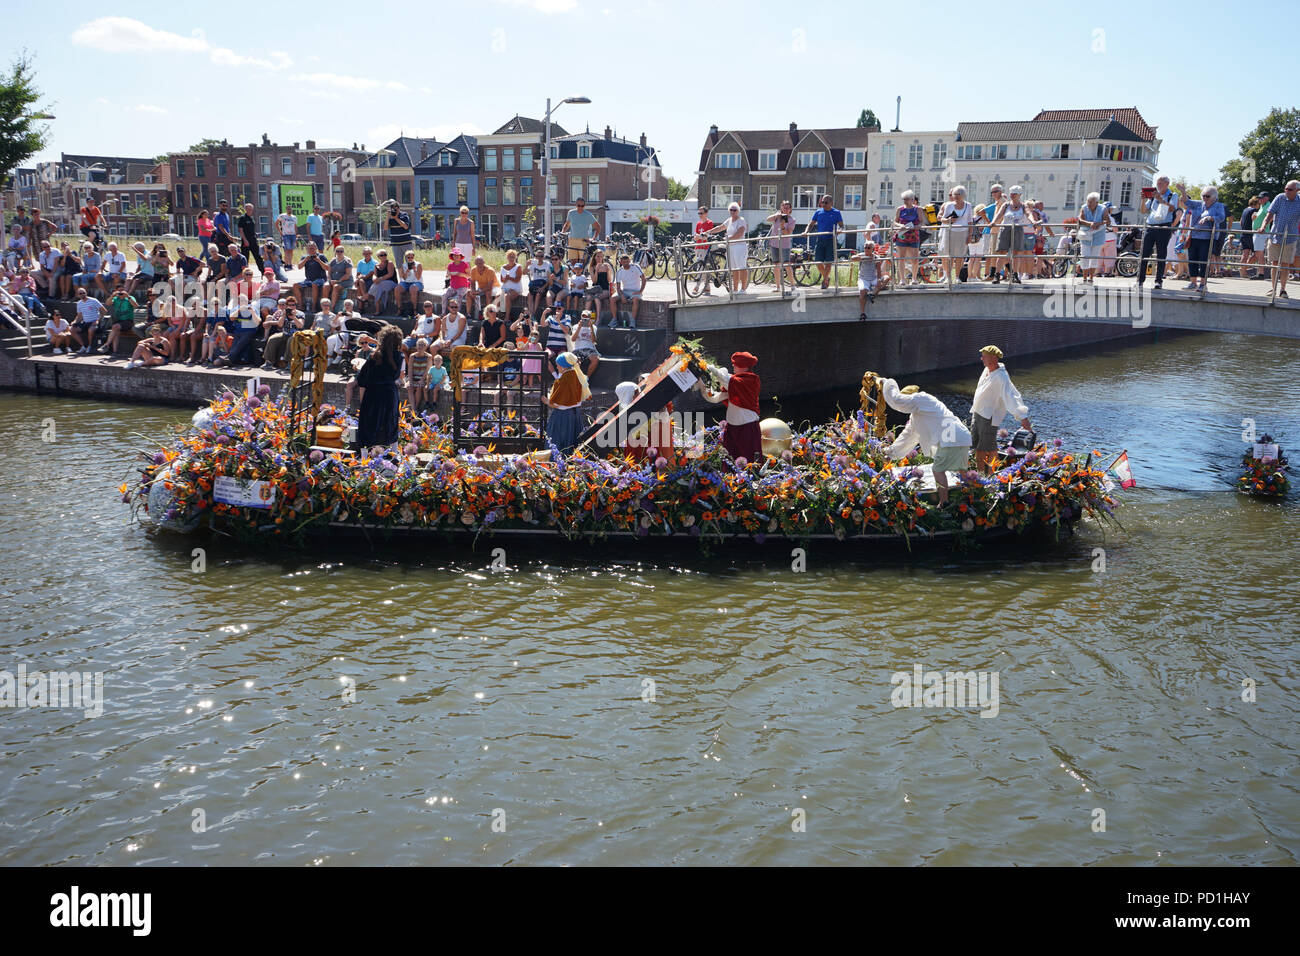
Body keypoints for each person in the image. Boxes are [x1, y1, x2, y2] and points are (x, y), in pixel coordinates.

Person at [877, 378, 971, 506]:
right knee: (962, 470)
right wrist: (890, 452)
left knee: (938, 469)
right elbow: (908, 437)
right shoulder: (918, 414)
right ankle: (971, 498)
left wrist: (886, 383)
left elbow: (896, 401)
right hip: (960, 436)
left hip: (951, 437)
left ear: (909, 398)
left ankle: (944, 503)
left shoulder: (921, 398)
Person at [969, 345, 1031, 473]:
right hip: (977, 412)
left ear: (994, 358)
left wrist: (1022, 416)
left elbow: (1011, 396)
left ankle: (991, 476)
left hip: (989, 416)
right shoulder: (986, 370)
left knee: (989, 448)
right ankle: (980, 474)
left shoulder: (1001, 377)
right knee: (978, 447)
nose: (982, 359)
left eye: (984, 356)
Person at [702, 351, 762, 462]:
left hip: (747, 428)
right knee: (730, 459)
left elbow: (726, 379)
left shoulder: (750, 381)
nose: (733, 365)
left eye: (736, 363)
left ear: (744, 366)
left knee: (750, 460)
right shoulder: (735, 383)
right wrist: (701, 385)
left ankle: (750, 478)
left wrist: (710, 368)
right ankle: (730, 478)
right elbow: (714, 398)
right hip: (732, 428)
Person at [355, 325, 403, 450]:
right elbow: (395, 375)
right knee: (390, 424)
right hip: (389, 394)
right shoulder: (399, 357)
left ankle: (365, 456)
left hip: (373, 394)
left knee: (369, 424)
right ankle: (393, 454)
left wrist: (359, 370)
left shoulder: (374, 356)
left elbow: (361, 380)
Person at [1175, 183, 1225, 293]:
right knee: (1192, 260)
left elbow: (1221, 217)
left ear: (1214, 197)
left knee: (1204, 260)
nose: (1205, 198)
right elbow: (1185, 202)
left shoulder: (1218, 206)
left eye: (1208, 196)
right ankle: (1193, 282)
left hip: (1207, 237)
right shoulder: (1198, 204)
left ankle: (1203, 284)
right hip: (1194, 236)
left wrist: (1209, 218)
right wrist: (1183, 192)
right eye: (1203, 196)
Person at [1258, 179, 1300, 300]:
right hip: (1275, 235)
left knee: (1285, 264)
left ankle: (1283, 289)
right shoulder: (1280, 198)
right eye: (1285, 188)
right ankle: (1274, 288)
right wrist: (1263, 226)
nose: (1286, 191)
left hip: (1290, 237)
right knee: (1275, 263)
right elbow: (1269, 214)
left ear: (1297, 190)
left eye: (1290, 189)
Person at [1137, 176, 1180, 290]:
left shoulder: (1173, 195)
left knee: (1161, 254)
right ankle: (1140, 280)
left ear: (1167, 184)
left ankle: (1158, 281)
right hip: (1150, 226)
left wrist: (1160, 199)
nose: (1159, 186)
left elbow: (1172, 208)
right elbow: (1143, 211)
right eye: (1158, 183)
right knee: (1144, 253)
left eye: (1161, 183)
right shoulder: (1152, 197)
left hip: (1164, 227)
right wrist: (1143, 199)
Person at [989, 185, 1038, 283]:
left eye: (1015, 193)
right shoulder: (1006, 205)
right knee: (1002, 252)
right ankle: (997, 275)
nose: (1012, 195)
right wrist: (993, 222)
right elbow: (999, 215)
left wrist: (1033, 221)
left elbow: (1029, 214)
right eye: (1011, 193)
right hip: (1005, 229)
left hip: (1018, 229)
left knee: (1017, 253)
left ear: (1019, 195)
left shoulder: (1023, 205)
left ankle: (1015, 275)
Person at [545, 351, 591, 453]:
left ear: (563, 366)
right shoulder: (578, 376)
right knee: (574, 442)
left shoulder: (563, 379)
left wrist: (546, 401)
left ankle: (558, 464)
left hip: (562, 416)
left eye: (557, 365)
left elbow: (557, 404)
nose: (556, 367)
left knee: (559, 443)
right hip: (575, 415)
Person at [938, 186, 974, 284]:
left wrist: (970, 234)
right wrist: (948, 220)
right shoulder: (949, 205)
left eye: (958, 194)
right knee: (949, 255)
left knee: (960, 256)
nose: (956, 196)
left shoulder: (968, 205)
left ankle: (957, 277)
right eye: (954, 194)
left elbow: (970, 221)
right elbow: (942, 218)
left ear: (963, 195)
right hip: (949, 232)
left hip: (963, 232)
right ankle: (948, 277)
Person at [806, 194, 843, 289]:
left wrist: (839, 230)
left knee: (828, 262)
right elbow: (811, 223)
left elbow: (841, 225)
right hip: (820, 239)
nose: (823, 204)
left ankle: (824, 281)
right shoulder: (818, 212)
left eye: (826, 202)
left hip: (831, 239)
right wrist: (806, 232)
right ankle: (826, 278)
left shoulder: (836, 212)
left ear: (831, 203)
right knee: (817, 261)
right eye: (822, 202)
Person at [1076, 192, 1110, 285]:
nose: (1089, 204)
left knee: (1094, 257)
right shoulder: (1084, 207)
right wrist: (1089, 223)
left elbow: (1107, 221)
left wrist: (1097, 223)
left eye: (1091, 202)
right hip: (1086, 235)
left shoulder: (1103, 208)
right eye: (1088, 201)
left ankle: (1091, 278)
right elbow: (1080, 219)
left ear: (1097, 202)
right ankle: (1084, 279)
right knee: (1084, 256)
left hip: (1098, 235)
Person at [764, 200, 797, 295]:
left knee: (787, 264)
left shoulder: (792, 220)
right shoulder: (777, 217)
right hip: (774, 243)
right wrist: (776, 216)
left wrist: (783, 226)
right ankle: (778, 286)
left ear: (790, 209)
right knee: (776, 265)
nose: (786, 209)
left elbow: (788, 232)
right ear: (781, 207)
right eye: (784, 207)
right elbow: (767, 219)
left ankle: (792, 285)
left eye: (788, 207)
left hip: (785, 245)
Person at [892, 190, 924, 285]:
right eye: (904, 199)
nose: (905, 201)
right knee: (901, 258)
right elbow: (895, 221)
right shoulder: (900, 209)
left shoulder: (918, 209)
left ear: (912, 199)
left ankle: (914, 278)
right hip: (902, 235)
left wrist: (918, 226)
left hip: (914, 235)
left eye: (907, 199)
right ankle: (902, 279)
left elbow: (921, 222)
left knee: (915, 258)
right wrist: (900, 226)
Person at [98, 287, 139, 355]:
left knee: (115, 327)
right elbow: (107, 303)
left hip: (128, 321)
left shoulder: (130, 297)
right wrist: (112, 296)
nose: (121, 292)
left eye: (122, 290)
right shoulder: (115, 298)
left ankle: (106, 345)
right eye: (119, 291)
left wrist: (127, 296)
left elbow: (136, 306)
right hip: (118, 321)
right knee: (116, 331)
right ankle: (115, 352)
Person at [561, 197, 599, 264]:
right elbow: (567, 224)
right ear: (576, 205)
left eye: (582, 206)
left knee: (582, 262)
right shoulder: (571, 213)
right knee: (573, 261)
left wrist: (593, 238)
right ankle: (575, 274)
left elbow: (598, 227)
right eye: (579, 205)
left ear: (584, 206)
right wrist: (562, 232)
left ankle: (582, 274)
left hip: (583, 240)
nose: (580, 207)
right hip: (572, 240)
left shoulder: (588, 214)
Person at [72, 286, 108, 354]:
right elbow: (79, 315)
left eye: (83, 293)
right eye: (80, 293)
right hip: (85, 322)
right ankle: (83, 346)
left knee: (91, 330)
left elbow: (104, 311)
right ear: (78, 295)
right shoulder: (79, 303)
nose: (82, 294)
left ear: (86, 293)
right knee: (72, 330)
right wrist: (74, 322)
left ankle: (90, 346)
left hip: (94, 322)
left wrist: (98, 320)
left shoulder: (94, 300)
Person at [613, 252, 645, 327]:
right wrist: (622, 296)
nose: (626, 263)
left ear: (630, 261)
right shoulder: (619, 272)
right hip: (625, 291)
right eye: (624, 262)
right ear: (620, 262)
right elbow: (618, 287)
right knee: (612, 299)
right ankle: (614, 320)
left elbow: (644, 279)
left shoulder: (635, 267)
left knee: (635, 299)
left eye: (627, 261)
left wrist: (640, 291)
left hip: (635, 291)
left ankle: (632, 321)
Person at [567, 310, 600, 377]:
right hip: (578, 348)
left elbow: (593, 341)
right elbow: (573, 339)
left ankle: (586, 378)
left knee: (595, 359)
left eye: (586, 317)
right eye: (583, 316)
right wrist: (579, 327)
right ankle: (577, 379)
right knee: (576, 362)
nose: (584, 318)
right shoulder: (576, 326)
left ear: (589, 318)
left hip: (589, 348)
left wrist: (591, 328)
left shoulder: (594, 327)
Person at [852, 241, 879, 320]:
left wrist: (880, 280)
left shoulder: (876, 257)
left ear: (872, 249)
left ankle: (872, 295)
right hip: (864, 279)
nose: (866, 249)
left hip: (873, 278)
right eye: (865, 247)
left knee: (886, 278)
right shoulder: (861, 255)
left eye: (868, 248)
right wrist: (864, 258)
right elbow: (852, 258)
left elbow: (879, 271)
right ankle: (863, 313)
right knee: (863, 291)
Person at [296, 242, 328, 311]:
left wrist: (319, 260)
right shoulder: (304, 257)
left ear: (316, 248)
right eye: (309, 248)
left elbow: (327, 268)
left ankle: (314, 306)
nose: (311, 250)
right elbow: (299, 267)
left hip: (320, 279)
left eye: (312, 248)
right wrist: (305, 260)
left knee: (314, 284)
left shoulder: (321, 256)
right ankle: (301, 305)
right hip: (309, 280)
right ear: (307, 249)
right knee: (295, 285)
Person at [585, 249, 614, 324]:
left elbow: (609, 280)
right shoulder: (592, 267)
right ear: (594, 257)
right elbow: (594, 281)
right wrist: (596, 271)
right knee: (588, 297)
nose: (599, 258)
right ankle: (584, 318)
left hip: (605, 288)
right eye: (598, 256)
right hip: (595, 287)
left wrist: (608, 271)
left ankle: (598, 318)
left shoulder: (606, 265)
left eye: (601, 256)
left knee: (597, 297)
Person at [407, 337, 433, 411]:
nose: (420, 346)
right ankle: (413, 409)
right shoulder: (412, 356)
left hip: (424, 378)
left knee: (419, 387)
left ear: (425, 347)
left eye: (422, 345)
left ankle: (416, 407)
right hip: (414, 377)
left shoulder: (429, 357)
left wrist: (422, 380)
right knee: (410, 388)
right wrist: (410, 380)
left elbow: (428, 370)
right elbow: (410, 369)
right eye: (419, 344)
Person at [237, 204, 264, 271]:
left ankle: (263, 272)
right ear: (245, 209)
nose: (250, 211)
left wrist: (255, 234)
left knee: (258, 256)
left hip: (253, 240)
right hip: (245, 241)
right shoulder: (242, 218)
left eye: (251, 209)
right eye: (248, 209)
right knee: (245, 258)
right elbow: (240, 230)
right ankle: (244, 274)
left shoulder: (251, 218)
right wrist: (245, 240)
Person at [443, 247, 472, 312]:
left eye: (457, 255)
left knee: (458, 297)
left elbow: (469, 275)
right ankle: (443, 313)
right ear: (452, 256)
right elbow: (447, 275)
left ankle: (457, 313)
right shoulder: (450, 265)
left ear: (460, 256)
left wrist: (460, 274)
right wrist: (451, 274)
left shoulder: (465, 264)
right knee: (444, 296)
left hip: (463, 286)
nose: (456, 257)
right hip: (453, 287)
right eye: (454, 255)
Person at [499, 249, 525, 319]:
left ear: (515, 257)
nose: (511, 258)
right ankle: (500, 315)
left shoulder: (518, 267)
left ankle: (507, 317)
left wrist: (509, 278)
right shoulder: (503, 267)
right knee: (497, 297)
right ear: (507, 257)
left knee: (506, 296)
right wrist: (505, 279)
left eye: (513, 257)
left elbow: (517, 279)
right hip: (505, 288)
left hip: (515, 289)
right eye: (510, 256)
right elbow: (502, 280)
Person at [396, 249, 423, 316]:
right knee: (397, 289)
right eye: (408, 257)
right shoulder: (403, 265)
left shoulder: (418, 264)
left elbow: (418, 277)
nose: (410, 259)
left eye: (412, 257)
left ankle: (414, 309)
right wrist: (407, 271)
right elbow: (404, 278)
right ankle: (400, 308)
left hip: (417, 282)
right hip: (406, 282)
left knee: (412, 288)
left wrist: (414, 270)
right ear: (406, 258)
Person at [526, 250, 550, 318]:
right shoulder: (533, 263)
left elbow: (549, 279)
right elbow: (524, 272)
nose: (539, 258)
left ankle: (533, 313)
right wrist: (527, 265)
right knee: (530, 295)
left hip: (543, 284)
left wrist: (543, 287)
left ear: (543, 257)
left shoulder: (547, 264)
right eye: (537, 256)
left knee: (538, 295)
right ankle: (531, 314)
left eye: (541, 256)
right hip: (535, 284)